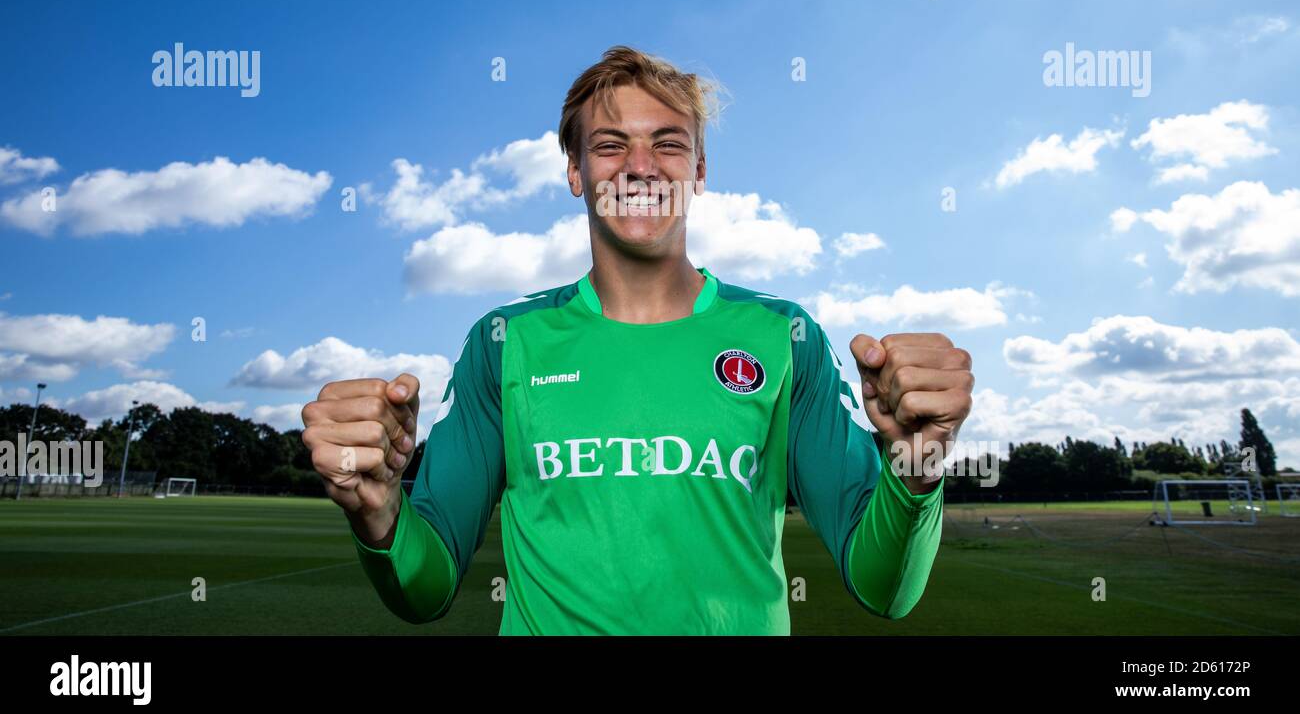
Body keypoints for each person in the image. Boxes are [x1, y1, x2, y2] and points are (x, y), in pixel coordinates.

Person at [301, 45, 974, 634]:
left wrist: (918, 463)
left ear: (699, 171)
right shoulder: (506, 343)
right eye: (610, 144)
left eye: (669, 143)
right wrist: (381, 515)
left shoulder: (784, 337)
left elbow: (884, 589)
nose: (640, 165)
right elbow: (426, 589)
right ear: (575, 172)